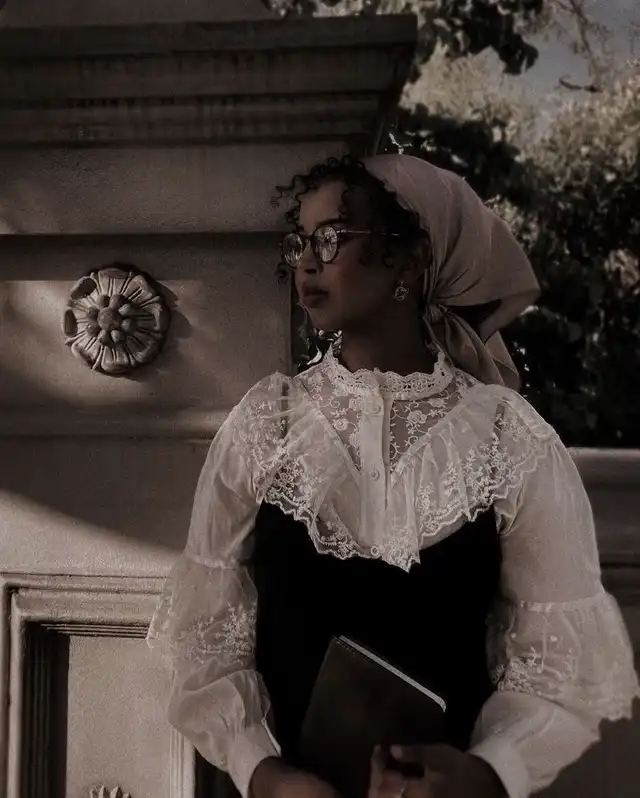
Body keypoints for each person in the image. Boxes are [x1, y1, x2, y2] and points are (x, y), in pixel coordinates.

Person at [146, 153, 639, 798]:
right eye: (300, 241)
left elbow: (557, 667)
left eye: (332, 238)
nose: (306, 262)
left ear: (409, 260)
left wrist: (487, 772)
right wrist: (262, 772)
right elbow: (206, 643)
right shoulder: (268, 422)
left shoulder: (507, 435)